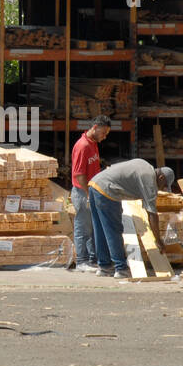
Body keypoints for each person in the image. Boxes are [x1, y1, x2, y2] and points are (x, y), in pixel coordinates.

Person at [87, 159, 175, 279]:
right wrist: (158, 240)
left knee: (100, 229)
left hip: (94, 184)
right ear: (161, 178)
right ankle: (121, 268)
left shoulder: (144, 164)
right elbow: (152, 214)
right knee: (113, 229)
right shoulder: (149, 180)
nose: (161, 189)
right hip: (108, 190)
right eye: (163, 186)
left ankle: (104, 266)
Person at [69, 115, 111, 272]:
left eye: (106, 134)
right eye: (103, 133)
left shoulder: (93, 144)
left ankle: (91, 259)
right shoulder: (83, 146)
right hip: (82, 192)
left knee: (92, 227)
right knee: (83, 227)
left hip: (90, 191)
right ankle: (81, 261)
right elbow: (79, 174)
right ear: (95, 127)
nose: (105, 136)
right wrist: (88, 194)